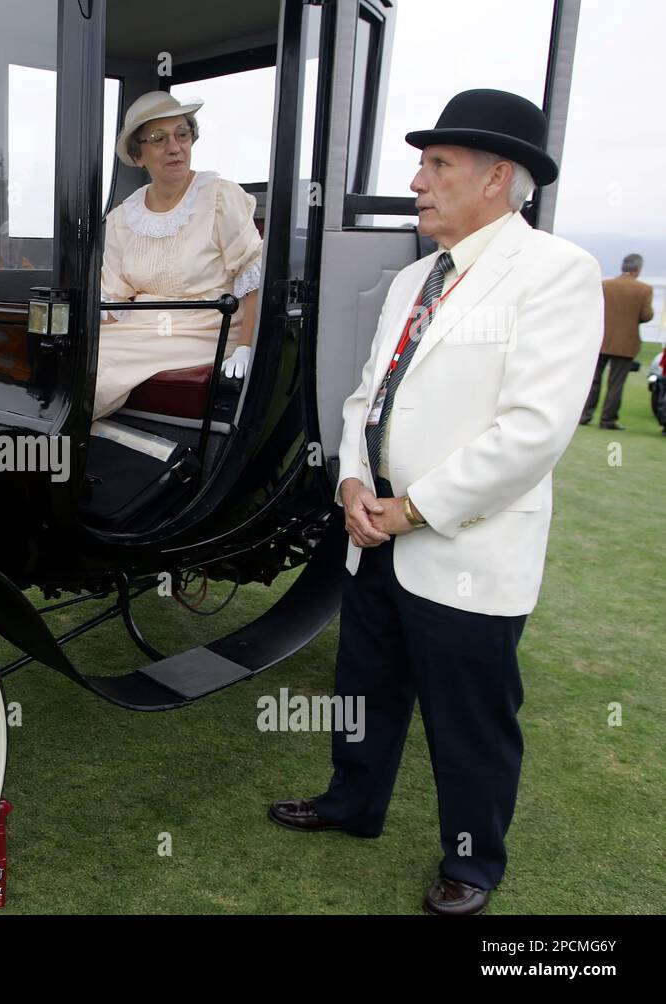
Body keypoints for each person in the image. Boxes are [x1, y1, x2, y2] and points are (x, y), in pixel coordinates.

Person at [268, 90, 603, 916]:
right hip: (372, 530)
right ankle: (352, 803)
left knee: (471, 715)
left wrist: (412, 509)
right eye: (422, 162)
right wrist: (352, 483)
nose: (417, 179)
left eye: (436, 164)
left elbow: (532, 432)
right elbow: (366, 397)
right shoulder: (416, 275)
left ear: (497, 179)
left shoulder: (558, 272)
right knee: (365, 683)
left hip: (460, 545)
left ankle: (472, 861)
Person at [96, 91, 262, 420]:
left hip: (206, 330)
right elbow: (113, 301)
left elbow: (253, 278)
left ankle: (44, 458)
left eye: (182, 134)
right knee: (67, 360)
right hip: (142, 330)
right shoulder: (122, 218)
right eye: (158, 139)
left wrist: (245, 348)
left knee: (93, 376)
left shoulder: (219, 198)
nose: (174, 147)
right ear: (138, 154)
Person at [581, 253, 654, 430]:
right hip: (626, 343)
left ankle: (584, 415)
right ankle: (608, 419)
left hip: (601, 339)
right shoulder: (644, 289)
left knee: (593, 380)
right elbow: (646, 315)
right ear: (638, 269)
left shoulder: (605, 285)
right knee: (616, 383)